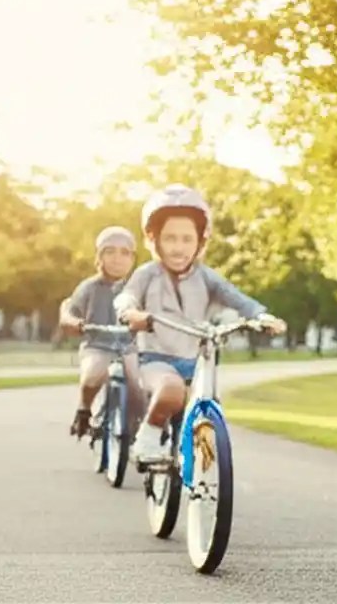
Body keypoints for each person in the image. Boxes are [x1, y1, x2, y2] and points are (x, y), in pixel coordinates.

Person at [114, 184, 287, 464]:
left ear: (200, 242)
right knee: (172, 390)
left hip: (194, 361)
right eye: (170, 238)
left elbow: (239, 299)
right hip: (155, 360)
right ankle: (146, 438)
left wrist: (261, 317)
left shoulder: (206, 277)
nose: (178, 247)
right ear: (153, 240)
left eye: (186, 239)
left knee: (207, 404)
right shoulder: (147, 274)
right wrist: (130, 313)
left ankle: (202, 467)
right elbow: (127, 297)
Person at [58, 225, 139, 439]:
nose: (117, 258)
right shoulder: (89, 287)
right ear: (99, 257)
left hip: (130, 347)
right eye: (109, 252)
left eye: (124, 253)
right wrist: (75, 323)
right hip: (98, 345)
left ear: (132, 259)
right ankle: (84, 409)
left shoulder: (138, 287)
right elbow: (69, 311)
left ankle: (139, 423)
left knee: (139, 380)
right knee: (94, 372)